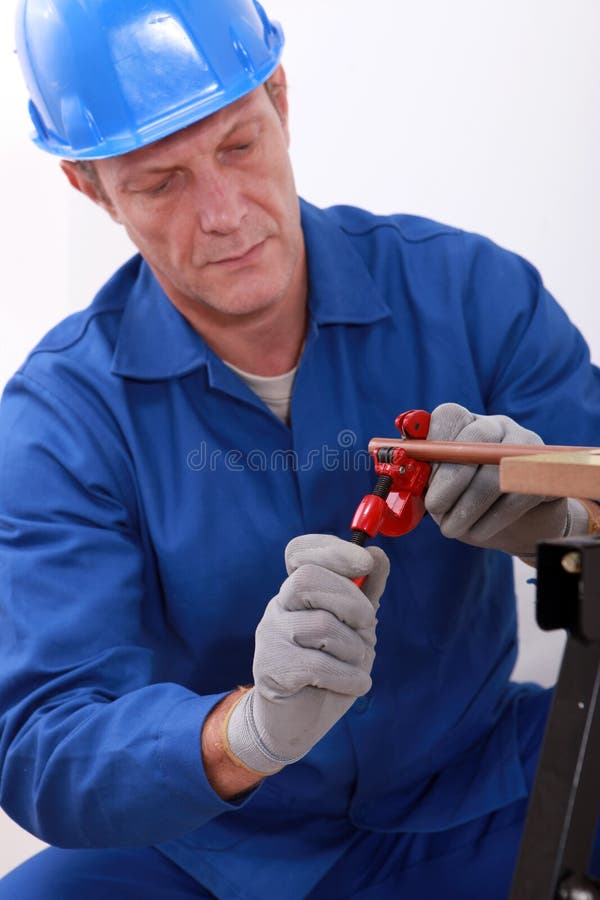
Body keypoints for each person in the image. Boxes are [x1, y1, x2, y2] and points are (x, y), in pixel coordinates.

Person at [1, 1, 599, 897]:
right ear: (90, 186)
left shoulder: (474, 293)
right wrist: (244, 736)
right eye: (161, 183)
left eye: (239, 145)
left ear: (279, 99)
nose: (223, 213)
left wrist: (563, 524)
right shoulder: (59, 417)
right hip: (210, 843)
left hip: (480, 792)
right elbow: (44, 738)